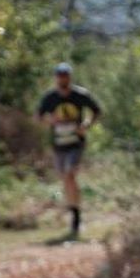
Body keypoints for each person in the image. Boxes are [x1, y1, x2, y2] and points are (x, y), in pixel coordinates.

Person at [37, 63, 101, 240]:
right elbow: (39, 115)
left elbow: (97, 111)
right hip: (58, 144)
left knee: (70, 174)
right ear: (56, 77)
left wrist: (86, 125)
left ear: (70, 77)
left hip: (76, 142)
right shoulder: (50, 98)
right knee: (65, 178)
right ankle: (73, 210)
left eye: (65, 75)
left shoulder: (80, 95)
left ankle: (76, 217)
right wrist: (51, 121)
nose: (62, 78)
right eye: (59, 75)